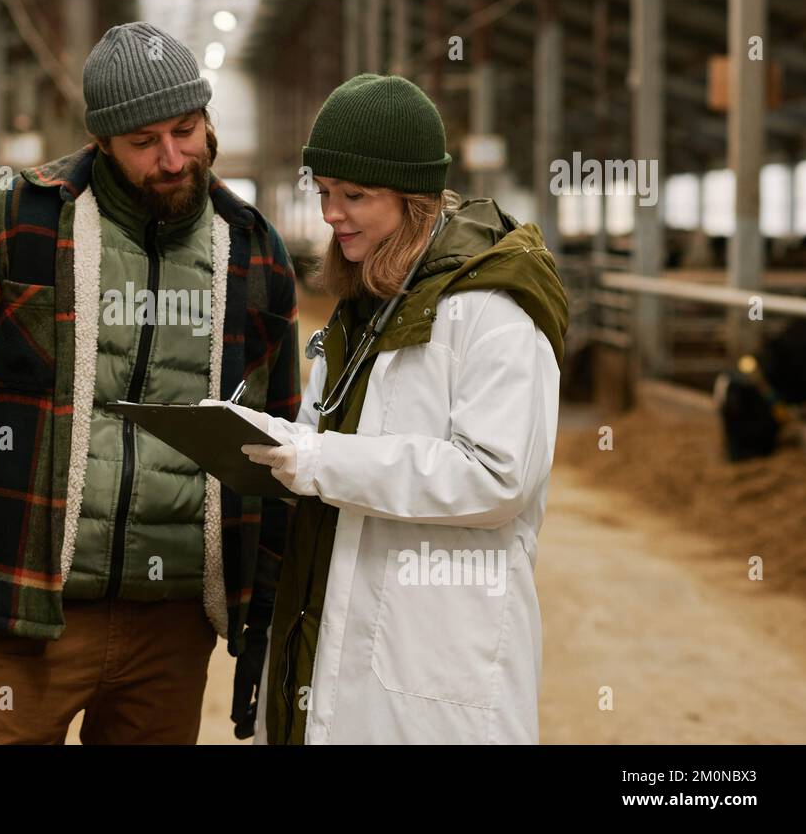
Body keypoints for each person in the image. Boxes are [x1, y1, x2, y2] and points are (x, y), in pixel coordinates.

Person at [0, 21, 301, 744]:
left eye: (187, 130)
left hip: (174, 622)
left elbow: (276, 447)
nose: (171, 158)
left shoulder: (253, 252)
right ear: (101, 142)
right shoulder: (14, 224)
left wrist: (263, 618)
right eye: (143, 142)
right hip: (27, 611)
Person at [207, 73, 569, 744]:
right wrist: (263, 442)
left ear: (414, 200)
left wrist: (317, 460)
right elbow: (329, 443)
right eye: (324, 192)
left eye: (354, 195)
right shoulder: (368, 305)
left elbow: (498, 477)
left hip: (436, 654)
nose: (330, 213)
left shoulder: (493, 309)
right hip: (338, 621)